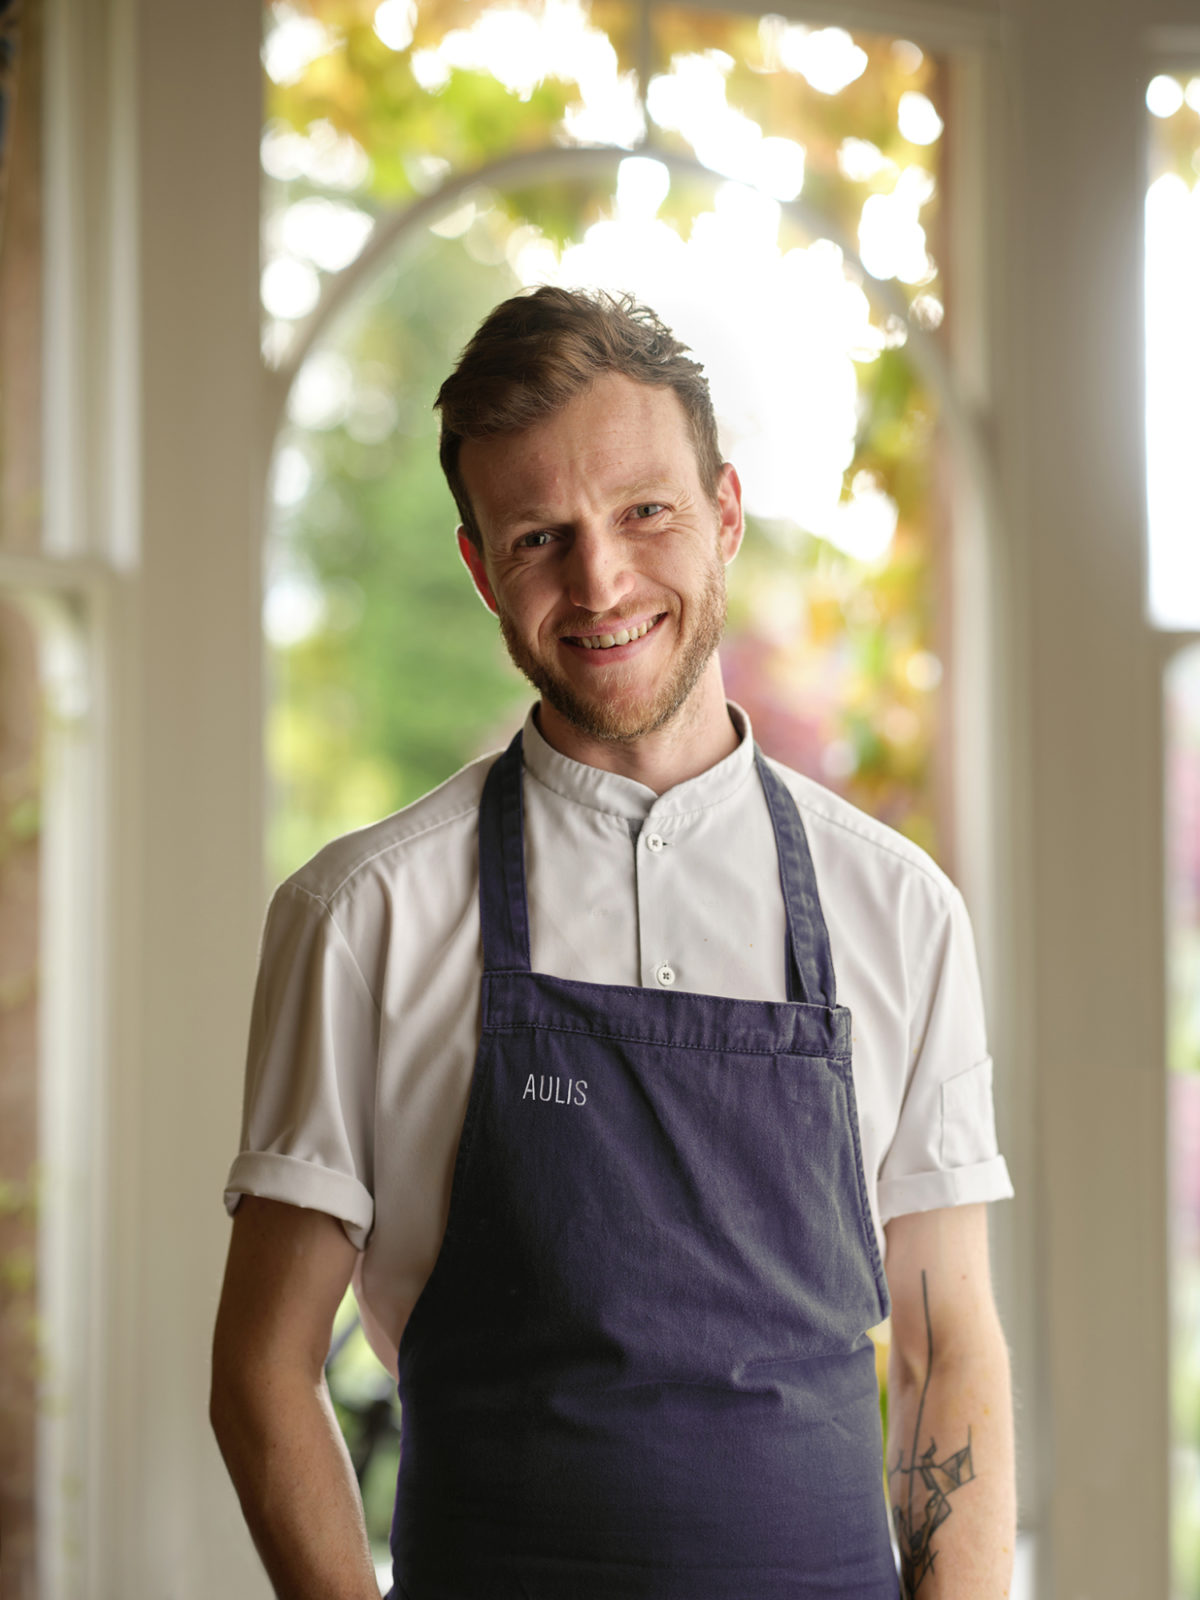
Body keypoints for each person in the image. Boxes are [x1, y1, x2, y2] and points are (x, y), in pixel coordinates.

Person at [211, 286, 1016, 1600]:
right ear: (481, 569)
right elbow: (262, 1372)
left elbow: (946, 1348)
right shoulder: (363, 916)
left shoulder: (901, 910)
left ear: (725, 514)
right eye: (540, 536)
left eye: (645, 513)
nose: (600, 580)